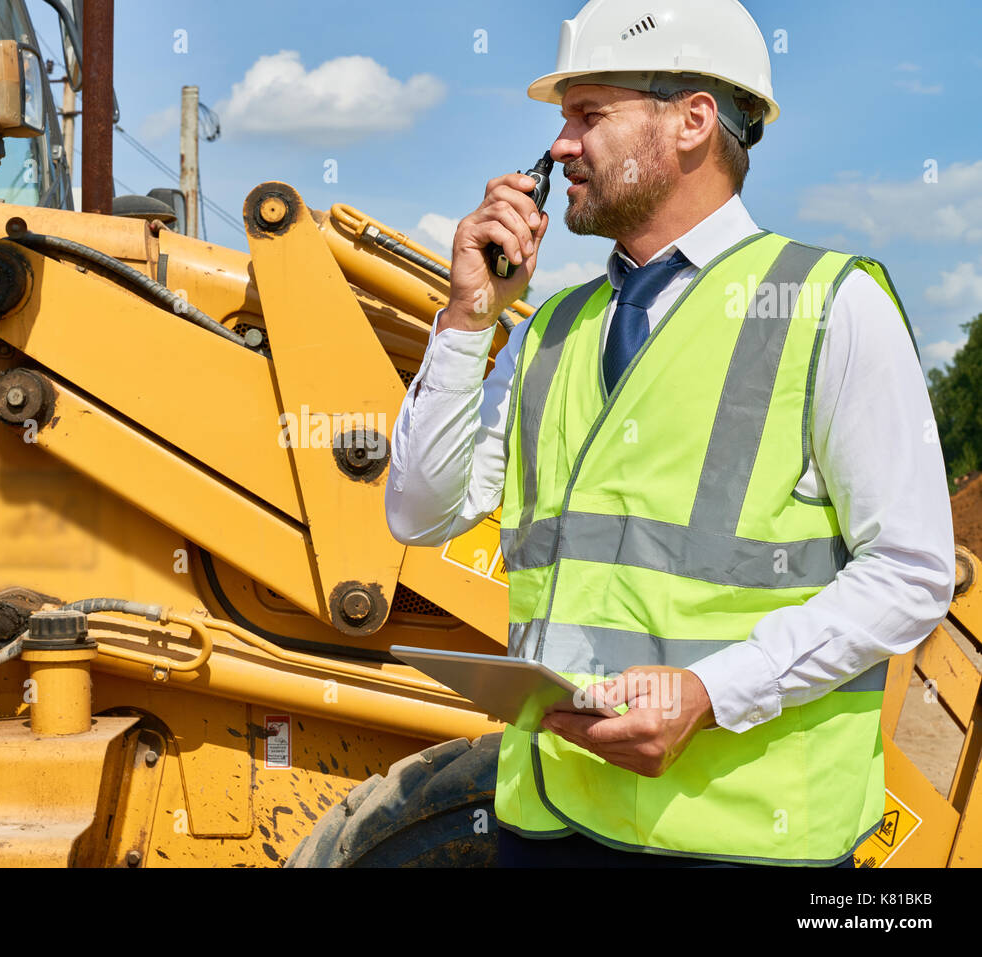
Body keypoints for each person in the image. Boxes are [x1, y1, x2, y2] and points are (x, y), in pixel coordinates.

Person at [384, 0, 955, 867]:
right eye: (562, 120)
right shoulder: (549, 331)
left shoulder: (830, 306)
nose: (559, 147)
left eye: (589, 114)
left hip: (742, 841)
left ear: (691, 122)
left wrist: (708, 693)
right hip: (550, 822)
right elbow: (418, 512)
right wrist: (468, 318)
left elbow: (911, 573)